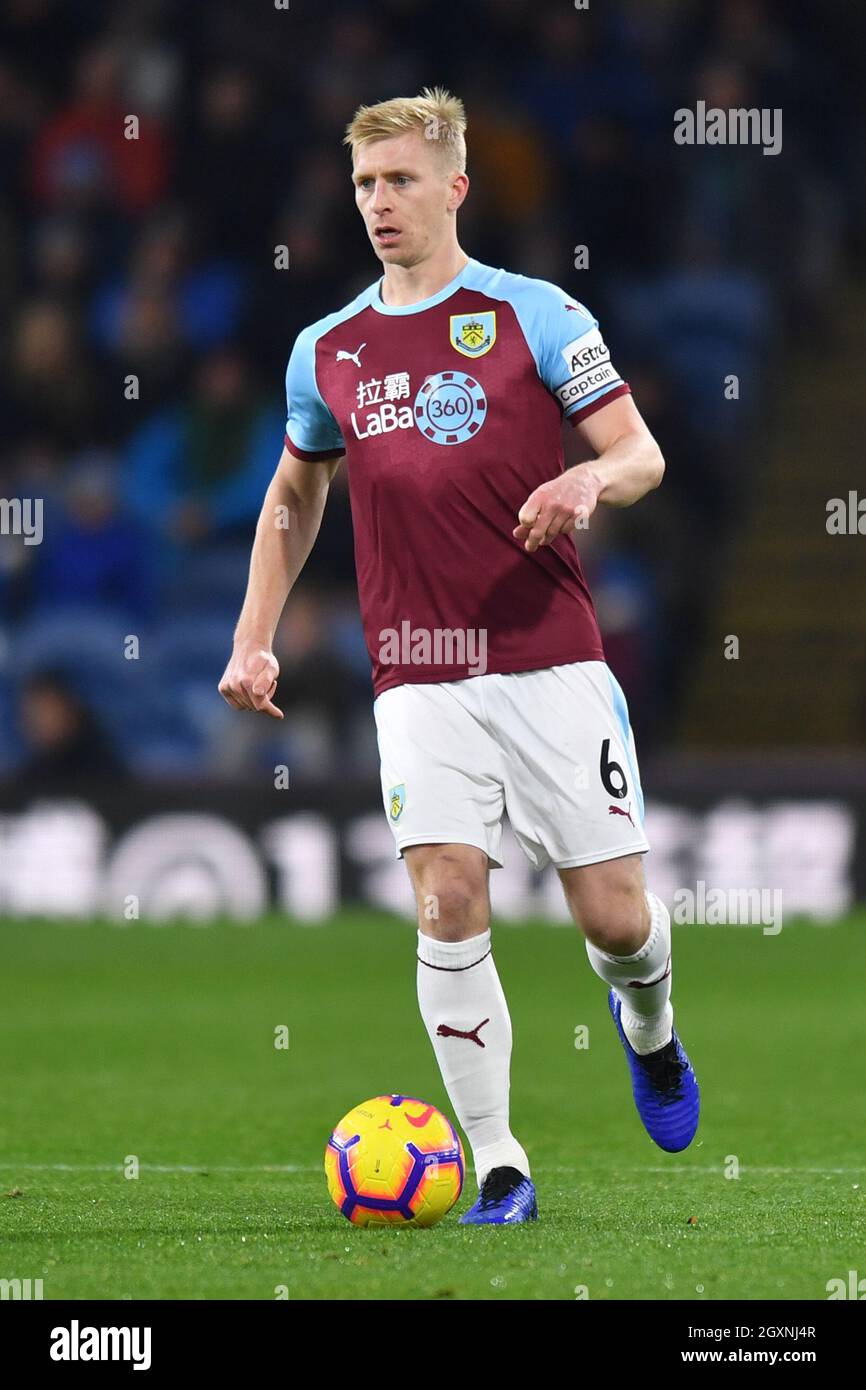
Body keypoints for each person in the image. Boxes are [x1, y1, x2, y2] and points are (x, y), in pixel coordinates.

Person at [218, 88, 699, 1225]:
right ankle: (497, 1162)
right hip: (417, 673)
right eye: (363, 185)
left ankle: (652, 1030)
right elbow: (295, 490)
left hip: (547, 659)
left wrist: (587, 476)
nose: (378, 203)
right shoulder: (326, 348)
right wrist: (254, 634)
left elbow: (640, 453)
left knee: (615, 921)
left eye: (398, 181)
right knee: (444, 898)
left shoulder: (534, 313)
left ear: (453, 187)